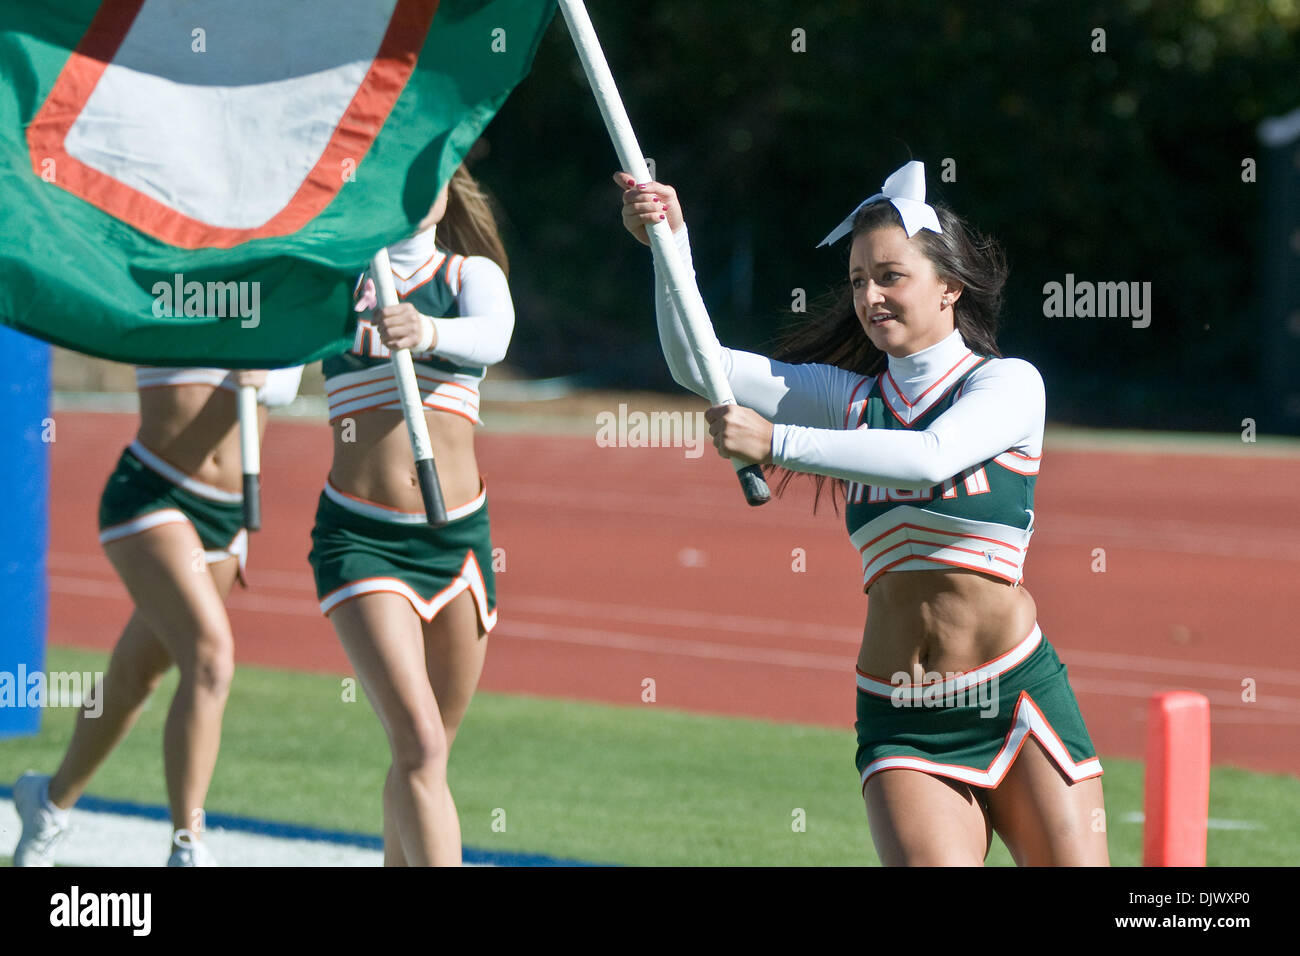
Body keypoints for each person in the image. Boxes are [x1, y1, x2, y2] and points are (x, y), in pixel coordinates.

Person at [613, 162, 1108, 866]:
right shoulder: (846, 399)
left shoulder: (1007, 384)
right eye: (856, 281)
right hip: (903, 715)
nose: (869, 296)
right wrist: (671, 247)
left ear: (950, 286)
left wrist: (775, 442)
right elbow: (702, 367)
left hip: (1018, 698)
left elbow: (933, 456)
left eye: (889, 276)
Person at [12, 363, 304, 867]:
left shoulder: (270, 286)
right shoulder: (171, 282)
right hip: (156, 491)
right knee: (210, 658)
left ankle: (48, 802)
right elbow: (138, 326)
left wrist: (267, 370)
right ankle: (186, 845)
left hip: (228, 514)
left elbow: (291, 375)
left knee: (134, 676)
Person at [308, 162, 514, 867]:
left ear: (452, 184)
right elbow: (274, 375)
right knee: (419, 743)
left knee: (424, 760)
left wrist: (423, 331)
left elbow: (495, 338)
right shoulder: (337, 283)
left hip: (457, 540)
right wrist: (258, 370)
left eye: (431, 169)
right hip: (362, 539)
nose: (415, 183)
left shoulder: (467, 277)